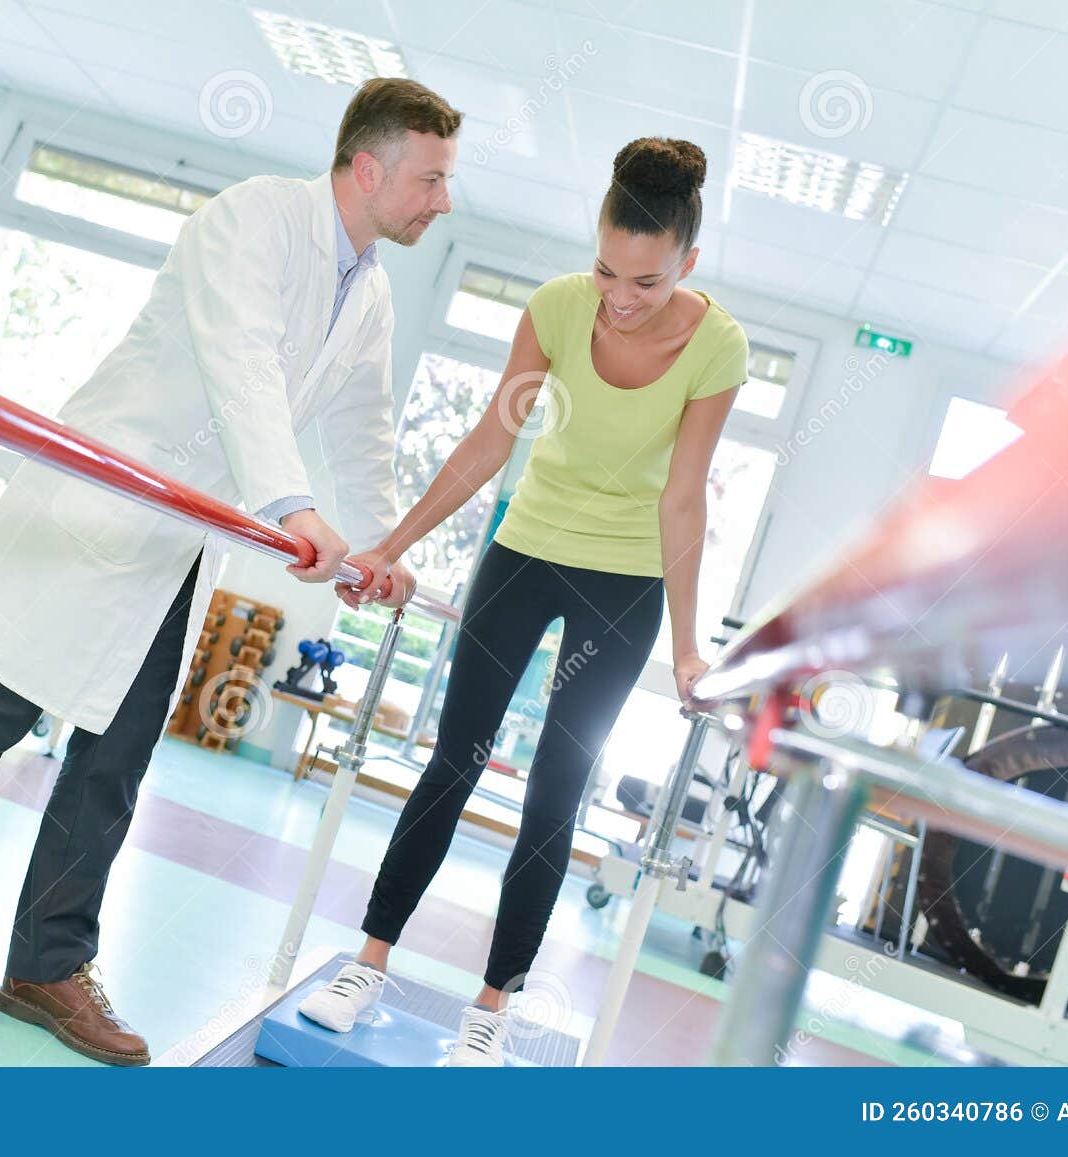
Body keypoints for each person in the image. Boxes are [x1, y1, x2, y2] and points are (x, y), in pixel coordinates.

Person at [0, 78, 461, 1066]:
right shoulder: (256, 219)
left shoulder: (372, 292)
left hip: (176, 544)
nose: (443, 199)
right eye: (430, 179)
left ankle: (49, 964)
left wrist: (382, 544)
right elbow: (239, 364)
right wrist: (293, 507)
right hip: (102, 502)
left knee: (115, 760)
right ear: (368, 168)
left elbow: (363, 426)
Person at [302, 137, 748, 1066]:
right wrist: (393, 544)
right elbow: (487, 443)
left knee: (555, 794)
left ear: (689, 262)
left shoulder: (718, 346)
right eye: (607, 271)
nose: (620, 297)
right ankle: (367, 962)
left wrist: (688, 646)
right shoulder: (556, 307)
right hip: (526, 551)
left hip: (625, 581)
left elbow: (684, 495)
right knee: (452, 761)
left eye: (648, 281)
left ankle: (492, 1007)